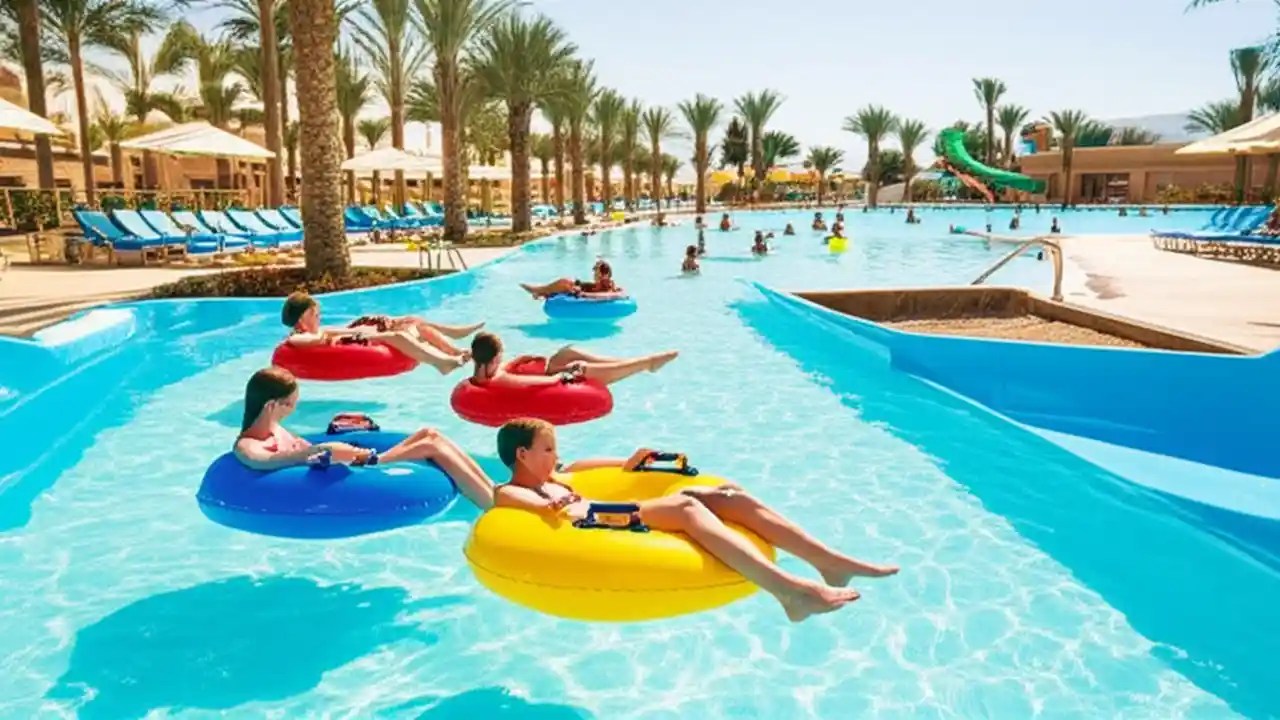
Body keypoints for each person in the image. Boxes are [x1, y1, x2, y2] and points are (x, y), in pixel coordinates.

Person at [492, 418, 898, 623]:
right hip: (595, 524)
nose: (555, 457)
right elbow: (511, 499)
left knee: (727, 497)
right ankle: (789, 591)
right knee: (686, 509)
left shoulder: (567, 473)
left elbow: (621, 467)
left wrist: (631, 462)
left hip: (614, 512)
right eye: (547, 449)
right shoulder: (512, 491)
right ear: (523, 455)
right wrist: (548, 504)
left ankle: (829, 562)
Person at [234, 367, 495, 508]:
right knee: (429, 445)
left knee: (430, 434)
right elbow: (263, 462)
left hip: (350, 460)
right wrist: (313, 452)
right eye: (289, 404)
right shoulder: (248, 445)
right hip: (353, 471)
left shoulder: (277, 429)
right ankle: (492, 504)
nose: (293, 410)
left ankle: (494, 489)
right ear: (270, 405)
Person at [280, 292, 476, 375]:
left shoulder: (317, 330)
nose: (319, 318)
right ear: (300, 320)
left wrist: (359, 330)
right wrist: (331, 336)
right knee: (398, 336)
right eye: (315, 315)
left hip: (355, 338)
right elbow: (313, 339)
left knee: (411, 321)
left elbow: (335, 332)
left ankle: (452, 350)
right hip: (353, 344)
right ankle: (442, 362)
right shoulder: (297, 337)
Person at [469, 331, 678, 389]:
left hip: (544, 367)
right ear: (494, 357)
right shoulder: (497, 380)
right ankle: (646, 363)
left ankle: (633, 362)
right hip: (547, 374)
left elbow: (505, 368)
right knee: (577, 366)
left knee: (568, 351)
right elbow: (536, 382)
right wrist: (563, 375)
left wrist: (519, 360)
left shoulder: (485, 370)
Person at [521, 260, 622, 299]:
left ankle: (539, 290)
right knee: (567, 283)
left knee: (565, 283)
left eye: (596, 270)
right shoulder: (599, 283)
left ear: (605, 273)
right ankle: (542, 293)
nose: (594, 273)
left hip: (585, 298)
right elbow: (588, 287)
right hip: (580, 293)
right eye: (595, 270)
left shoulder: (606, 283)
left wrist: (585, 294)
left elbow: (610, 294)